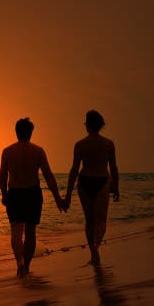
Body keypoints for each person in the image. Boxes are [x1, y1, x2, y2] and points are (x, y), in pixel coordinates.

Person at [0, 118, 66, 277]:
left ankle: (20, 263)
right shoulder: (38, 151)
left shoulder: (7, 151)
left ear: (16, 132)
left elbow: (2, 177)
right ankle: (27, 266)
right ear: (30, 133)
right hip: (32, 194)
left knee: (16, 233)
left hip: (15, 193)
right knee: (31, 233)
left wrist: (4, 195)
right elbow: (49, 176)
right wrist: (58, 198)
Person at [64, 110, 119, 266]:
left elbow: (74, 170)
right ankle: (95, 249)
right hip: (102, 181)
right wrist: (117, 187)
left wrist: (68, 194)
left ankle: (94, 254)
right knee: (101, 222)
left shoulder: (80, 145)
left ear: (87, 125)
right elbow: (114, 168)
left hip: (84, 181)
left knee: (89, 221)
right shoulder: (108, 144)